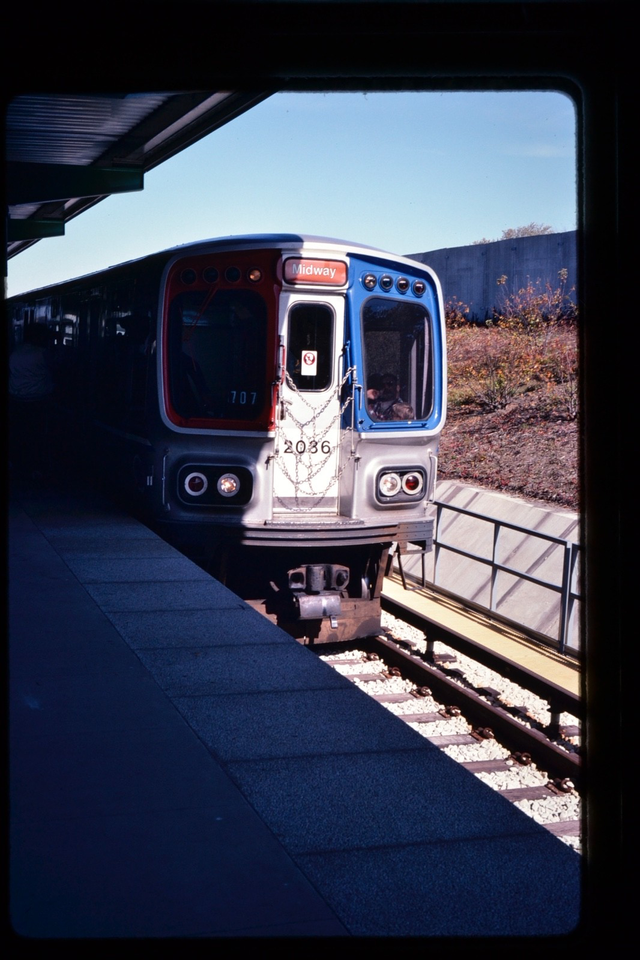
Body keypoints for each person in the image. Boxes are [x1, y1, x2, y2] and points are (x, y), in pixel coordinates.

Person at [9, 325, 55, 479]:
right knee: (36, 434)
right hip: (37, 401)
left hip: (16, 400)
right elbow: (57, 368)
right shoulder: (42, 354)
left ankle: (15, 463)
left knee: (19, 433)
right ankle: (35, 468)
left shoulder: (15, 353)